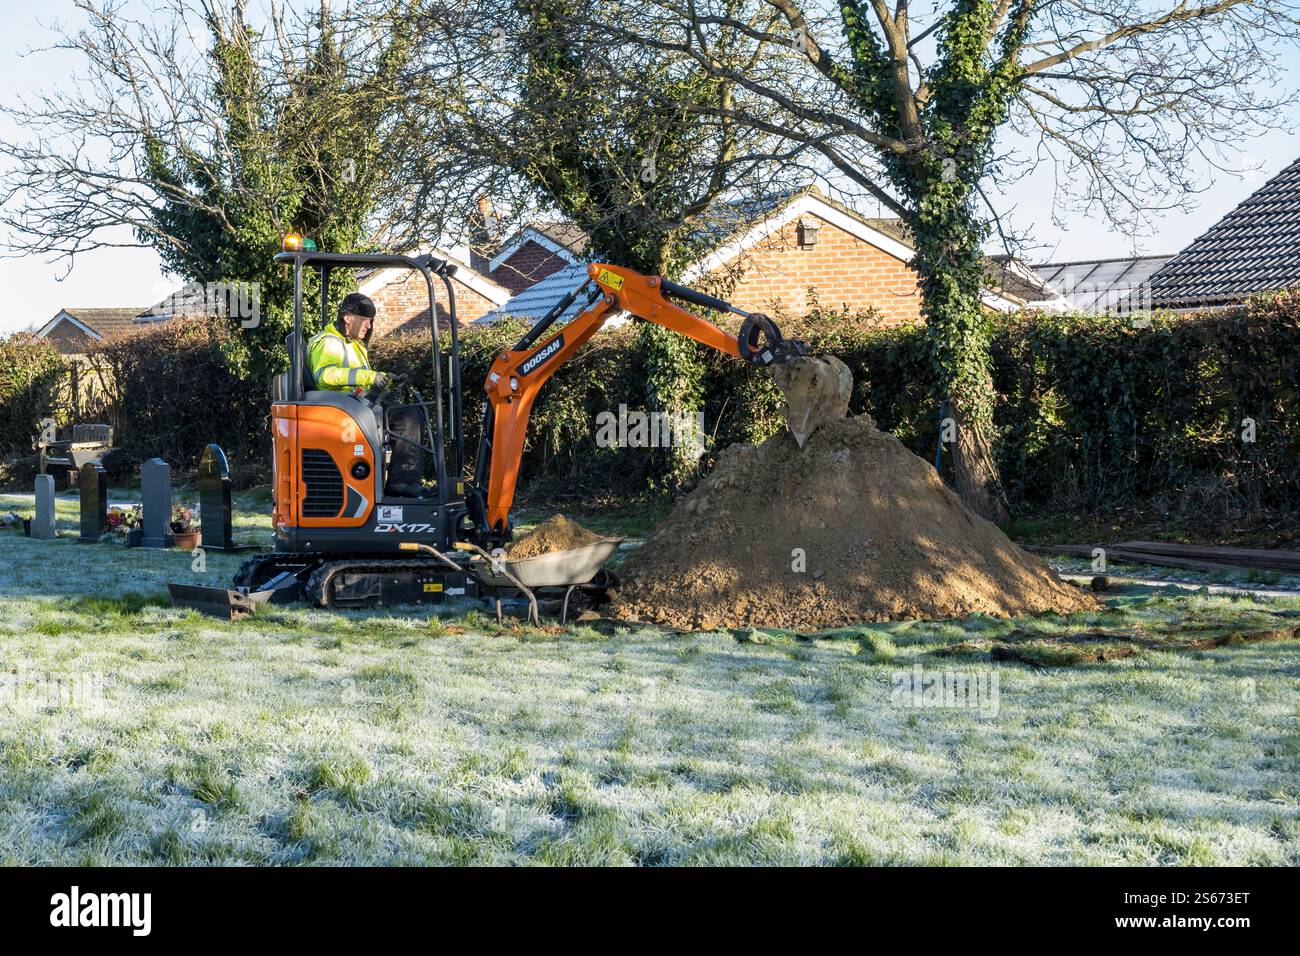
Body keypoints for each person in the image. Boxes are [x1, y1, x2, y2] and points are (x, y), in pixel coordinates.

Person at [307, 292, 428, 497]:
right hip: (342, 411)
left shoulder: (352, 344)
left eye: (370, 321)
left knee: (410, 412)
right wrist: (371, 377)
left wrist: (388, 385)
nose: (369, 326)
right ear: (348, 318)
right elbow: (325, 375)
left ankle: (401, 481)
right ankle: (402, 483)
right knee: (409, 418)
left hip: (354, 407)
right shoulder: (329, 343)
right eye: (365, 320)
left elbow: (359, 381)